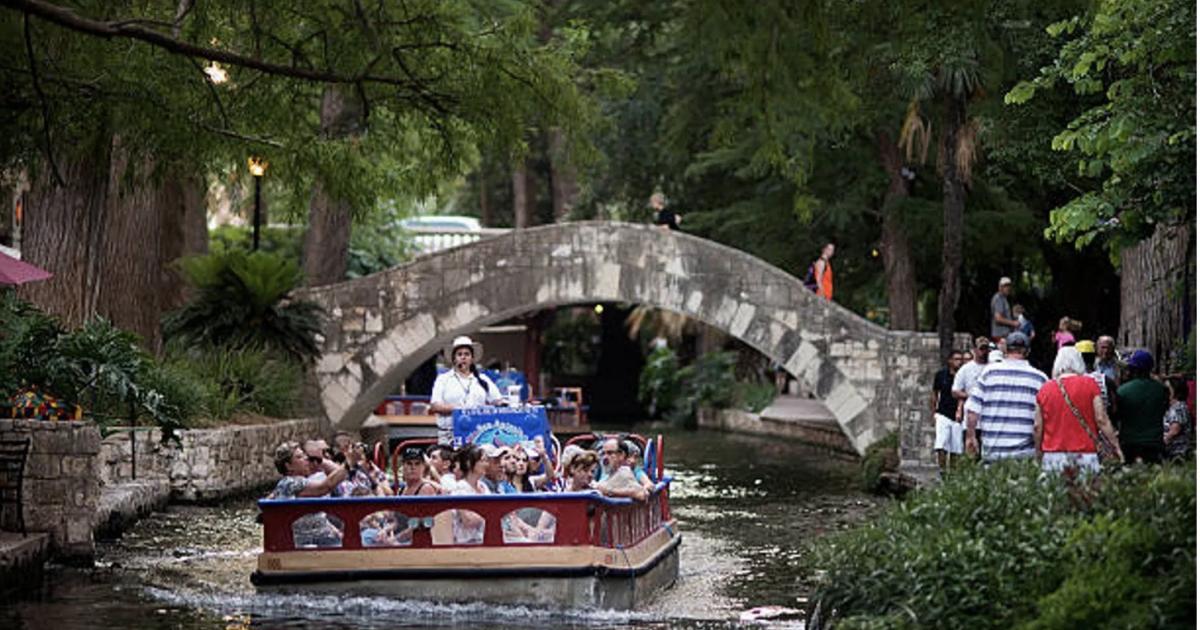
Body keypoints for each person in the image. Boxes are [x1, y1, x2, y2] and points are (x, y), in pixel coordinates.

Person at [1034, 347, 1123, 474]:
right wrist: (1116, 446)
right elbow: (1101, 419)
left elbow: (1038, 426)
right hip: (1086, 455)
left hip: (1053, 455)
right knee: (1085, 492)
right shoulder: (1090, 384)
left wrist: (1038, 452)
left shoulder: (1045, 389)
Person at [965, 331, 1047, 462]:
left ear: (1005, 350)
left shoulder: (989, 373)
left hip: (993, 453)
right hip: (1025, 456)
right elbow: (1040, 423)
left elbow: (972, 410)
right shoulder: (1040, 379)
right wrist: (1040, 452)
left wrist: (971, 436)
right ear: (1028, 351)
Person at [269, 441, 348, 547]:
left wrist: (335, 530)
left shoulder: (298, 481)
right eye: (300, 457)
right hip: (308, 542)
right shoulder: (290, 483)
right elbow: (324, 487)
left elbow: (315, 516)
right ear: (288, 466)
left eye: (305, 456)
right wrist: (350, 462)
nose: (306, 459)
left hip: (324, 537)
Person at [430, 336, 505, 445]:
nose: (463, 357)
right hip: (449, 435)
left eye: (467, 354)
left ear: (472, 358)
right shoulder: (443, 379)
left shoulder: (483, 379)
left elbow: (498, 401)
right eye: (459, 354)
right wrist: (461, 410)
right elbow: (435, 405)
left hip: (477, 434)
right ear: (454, 358)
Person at [1116, 350, 1169, 464]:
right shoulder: (1162, 389)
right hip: (1155, 443)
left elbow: (1117, 415)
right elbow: (1165, 409)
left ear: (1133, 369)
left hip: (1129, 443)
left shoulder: (1122, 390)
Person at [931, 351, 964, 473]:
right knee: (941, 443)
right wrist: (934, 412)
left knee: (956, 446)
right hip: (943, 413)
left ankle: (954, 471)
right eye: (956, 359)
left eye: (960, 359)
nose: (959, 362)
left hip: (958, 415)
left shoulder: (962, 375)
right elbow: (935, 393)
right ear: (950, 361)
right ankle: (942, 470)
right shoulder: (941, 375)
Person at [952, 337, 992, 427]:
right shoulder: (966, 369)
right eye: (981, 349)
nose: (984, 352)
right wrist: (971, 396)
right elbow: (955, 391)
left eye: (986, 349)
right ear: (975, 350)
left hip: (989, 417)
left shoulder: (993, 367)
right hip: (971, 417)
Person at [1077, 339, 1120, 420]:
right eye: (1103, 348)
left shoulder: (1069, 381)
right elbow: (1115, 409)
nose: (1106, 351)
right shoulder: (1105, 379)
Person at [1163, 377, 1192, 461]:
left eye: (1167, 388)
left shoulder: (1179, 407)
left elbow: (1175, 430)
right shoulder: (1172, 407)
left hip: (1176, 453)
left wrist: (1162, 443)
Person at [989, 277, 1019, 342]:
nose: (1008, 288)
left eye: (1009, 286)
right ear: (1000, 287)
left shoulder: (1004, 299)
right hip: (1000, 335)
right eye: (1006, 286)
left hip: (1005, 334)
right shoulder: (998, 299)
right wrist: (1013, 323)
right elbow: (998, 318)